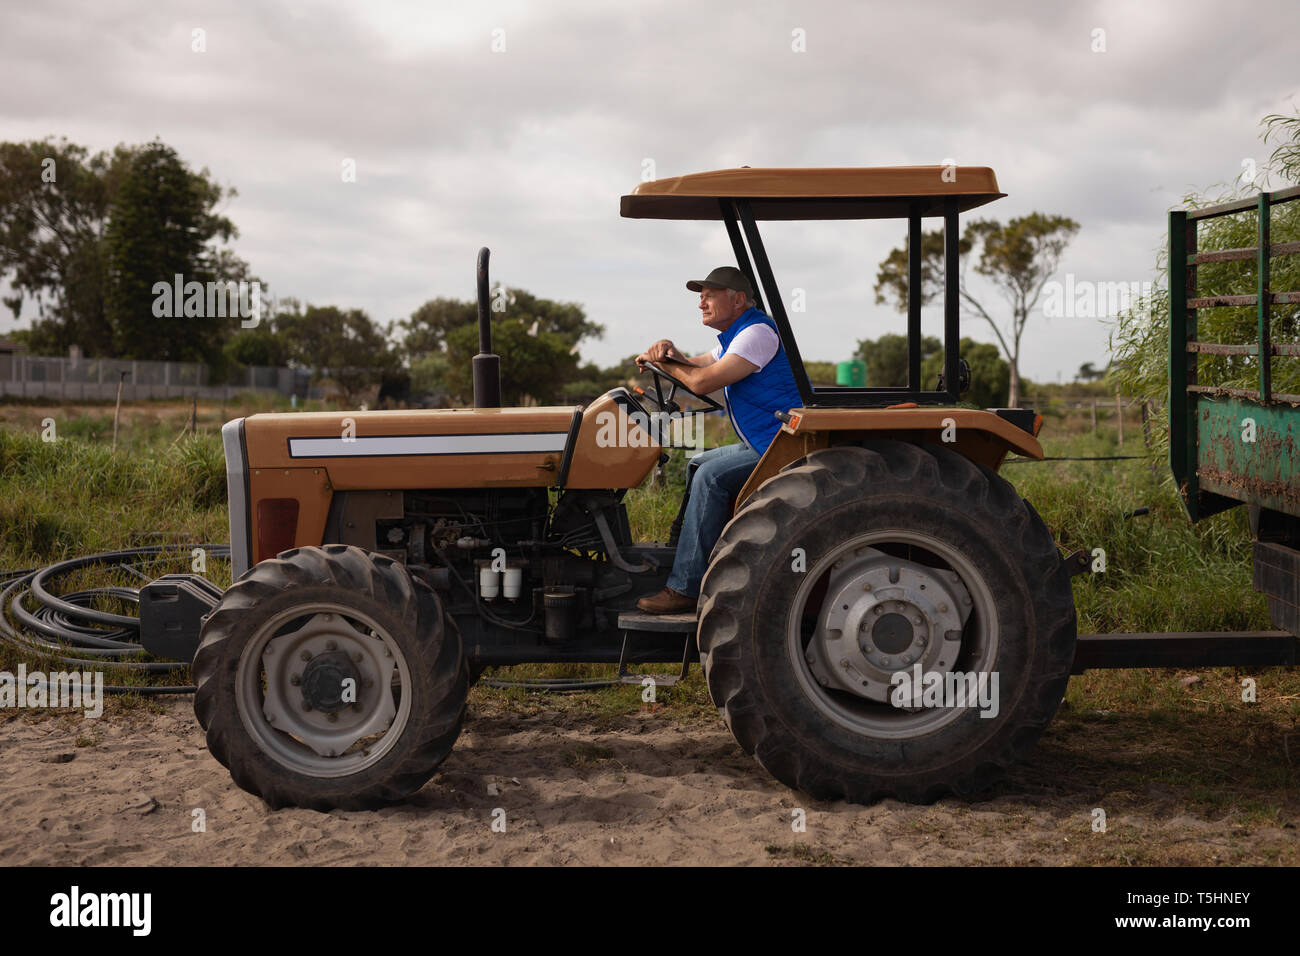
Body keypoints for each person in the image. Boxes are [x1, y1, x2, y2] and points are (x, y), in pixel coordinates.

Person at [634, 266, 803, 614]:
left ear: (738, 299)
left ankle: (685, 586)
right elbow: (693, 364)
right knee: (698, 464)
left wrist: (666, 365)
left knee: (711, 477)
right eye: (701, 296)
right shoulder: (735, 336)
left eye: (710, 294)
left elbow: (701, 382)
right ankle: (684, 553)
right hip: (761, 439)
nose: (701, 303)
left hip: (779, 445)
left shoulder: (756, 333)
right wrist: (666, 353)